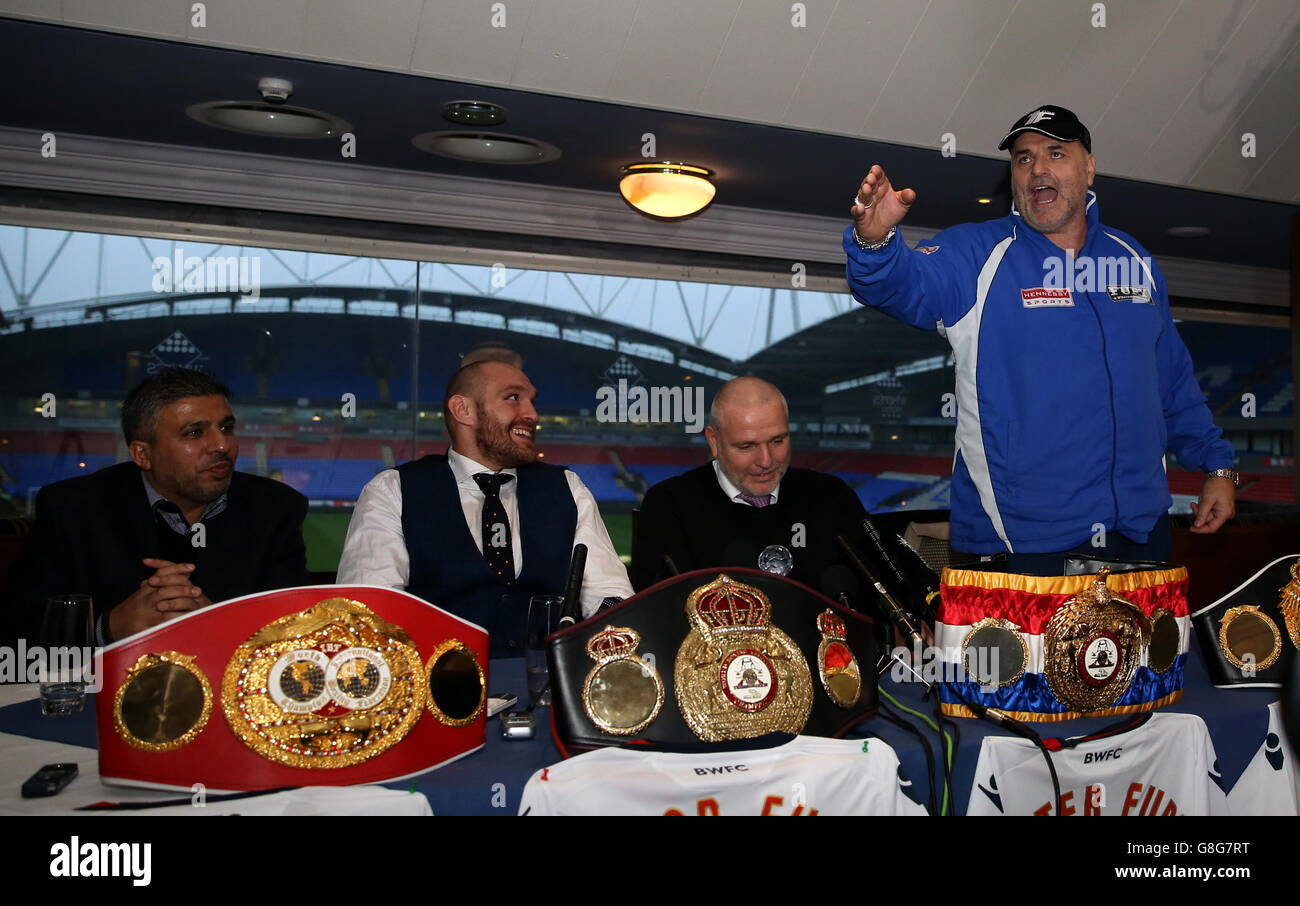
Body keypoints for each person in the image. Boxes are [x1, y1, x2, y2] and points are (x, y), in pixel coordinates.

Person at [843, 104, 1236, 572]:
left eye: (1056, 153)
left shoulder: (1134, 260)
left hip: (1140, 539)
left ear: (1089, 167)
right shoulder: (975, 254)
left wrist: (1218, 467)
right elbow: (898, 286)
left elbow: (1172, 384)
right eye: (1024, 158)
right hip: (1021, 549)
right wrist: (874, 243)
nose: (1038, 170)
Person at [337, 360, 632, 655]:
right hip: (439, 692)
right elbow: (370, 612)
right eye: (513, 398)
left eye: (532, 401)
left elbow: (610, 598)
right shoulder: (393, 490)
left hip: (548, 690)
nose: (532, 414)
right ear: (463, 410)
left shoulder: (566, 487)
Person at [3, 368, 307, 647]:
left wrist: (217, 624)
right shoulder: (71, 509)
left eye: (226, 428)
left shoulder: (276, 509)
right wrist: (107, 627)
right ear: (142, 455)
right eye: (194, 433)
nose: (222, 445)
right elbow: (16, 636)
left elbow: (296, 634)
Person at [630, 377, 870, 594]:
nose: (766, 461)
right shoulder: (668, 505)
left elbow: (876, 602)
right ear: (714, 441)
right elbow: (656, 615)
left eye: (777, 441)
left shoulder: (833, 497)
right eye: (746, 447)